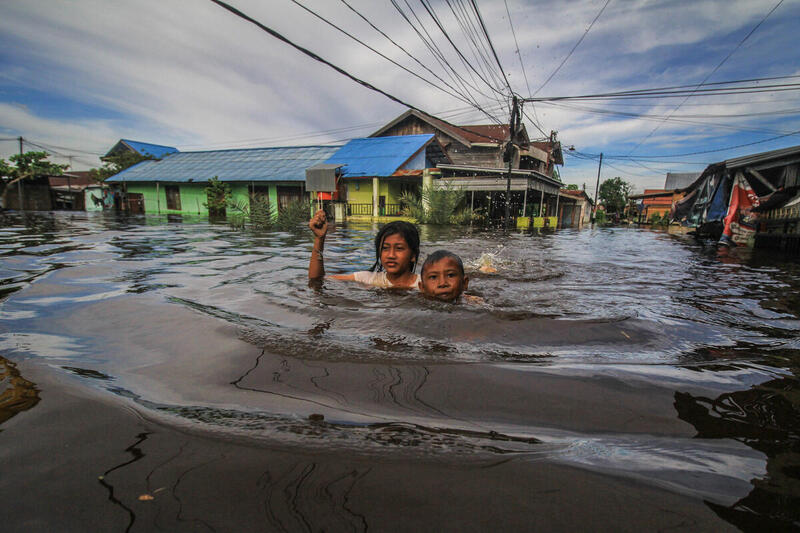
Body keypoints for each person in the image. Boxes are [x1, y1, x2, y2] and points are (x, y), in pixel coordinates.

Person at [308, 209, 421, 289]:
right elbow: (317, 281)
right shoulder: (367, 279)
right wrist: (319, 239)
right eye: (385, 248)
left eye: (399, 248)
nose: (391, 255)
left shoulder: (425, 284)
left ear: (413, 255)